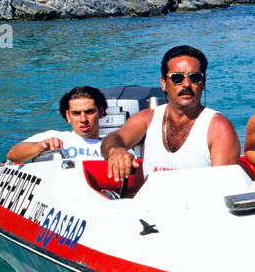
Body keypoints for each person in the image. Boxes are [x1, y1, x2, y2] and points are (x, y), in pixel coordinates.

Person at [100, 45, 240, 185]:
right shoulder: (147, 119)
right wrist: (116, 150)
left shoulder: (218, 128)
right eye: (177, 78)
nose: (186, 84)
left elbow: (224, 187)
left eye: (195, 78)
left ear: (203, 83)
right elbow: (114, 138)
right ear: (164, 83)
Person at [6, 86, 108, 163]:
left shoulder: (114, 146)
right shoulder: (53, 137)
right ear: (68, 116)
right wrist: (40, 146)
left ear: (101, 112)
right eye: (76, 113)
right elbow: (12, 155)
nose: (83, 119)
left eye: (89, 112)